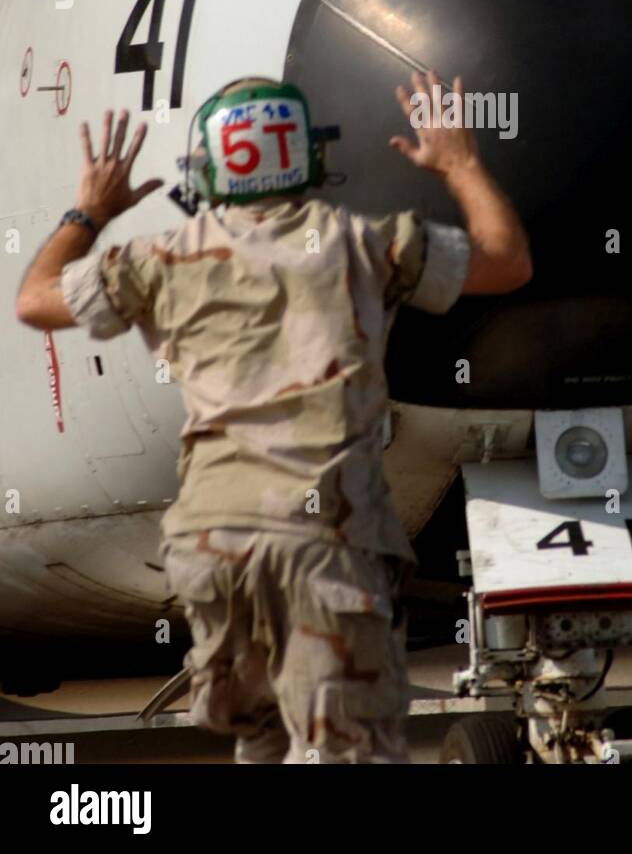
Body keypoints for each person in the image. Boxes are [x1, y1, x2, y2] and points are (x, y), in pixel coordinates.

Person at [15, 70, 532, 764]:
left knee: (262, 737)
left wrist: (90, 213)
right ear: (310, 156)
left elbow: (36, 300)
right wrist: (461, 165)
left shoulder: (162, 260)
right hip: (330, 542)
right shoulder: (363, 246)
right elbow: (507, 262)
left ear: (208, 168)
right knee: (345, 749)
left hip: (215, 552)